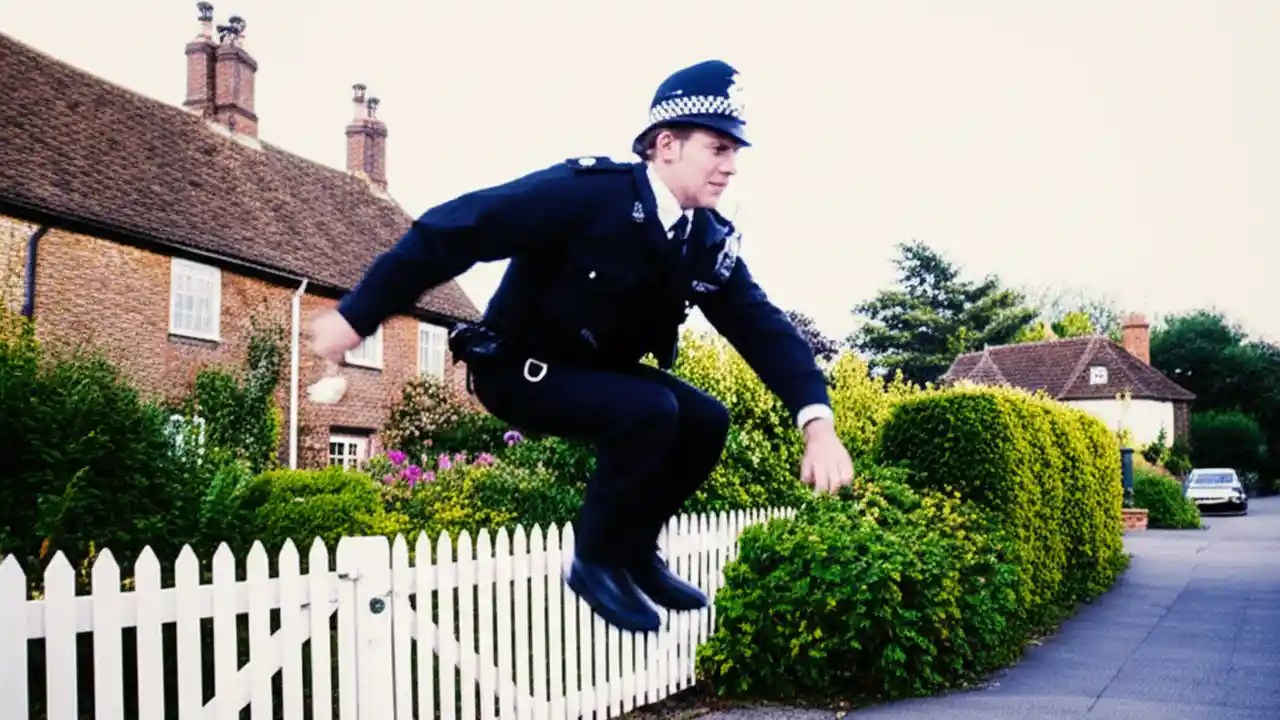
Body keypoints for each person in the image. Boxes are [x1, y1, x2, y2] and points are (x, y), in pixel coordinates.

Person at [310, 59, 854, 633]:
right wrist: (357, 315)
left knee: (706, 421)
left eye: (735, 152)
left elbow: (761, 327)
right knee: (651, 409)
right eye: (718, 148)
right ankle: (593, 563)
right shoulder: (586, 196)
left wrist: (816, 423)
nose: (731, 166)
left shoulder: (703, 239)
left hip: (595, 374)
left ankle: (635, 550)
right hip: (518, 368)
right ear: (666, 145)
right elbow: (457, 228)